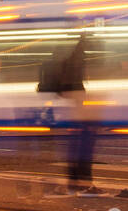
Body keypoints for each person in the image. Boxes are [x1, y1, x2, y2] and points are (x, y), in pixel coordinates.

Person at [38, 33, 101, 196]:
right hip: (75, 101)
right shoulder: (75, 52)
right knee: (83, 144)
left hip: (68, 101)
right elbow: (72, 78)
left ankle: (75, 183)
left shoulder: (63, 49)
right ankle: (83, 184)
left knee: (76, 145)